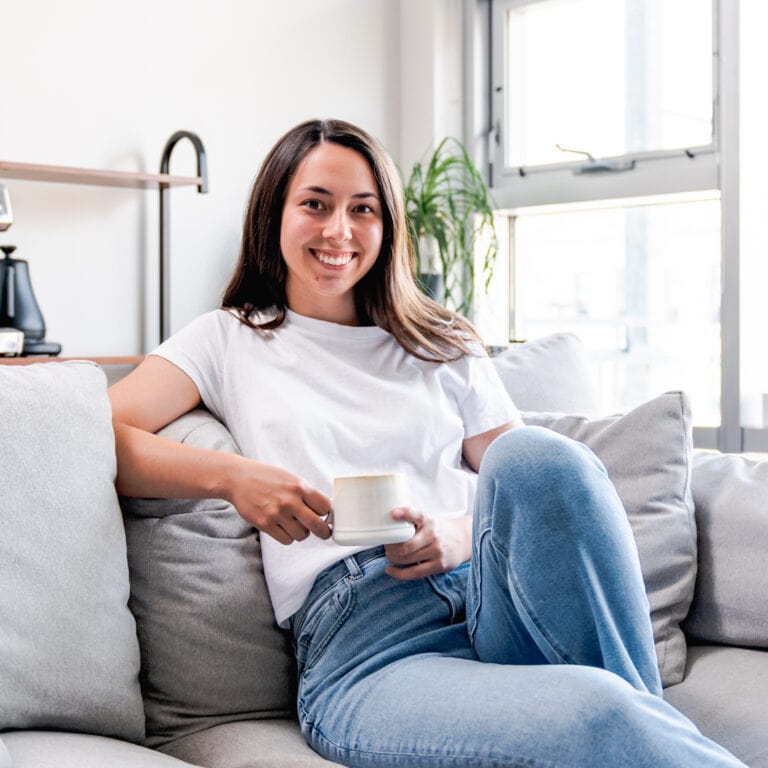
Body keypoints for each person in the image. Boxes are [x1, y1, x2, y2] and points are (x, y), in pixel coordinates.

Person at [109, 118, 745, 768]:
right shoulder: (230, 338)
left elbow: (534, 499)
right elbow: (103, 428)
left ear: (387, 229)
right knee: (602, 712)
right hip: (369, 644)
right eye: (315, 205)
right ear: (276, 212)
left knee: (541, 456)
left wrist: (460, 534)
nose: (339, 231)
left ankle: (639, 734)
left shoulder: (441, 341)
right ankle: (639, 731)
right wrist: (232, 477)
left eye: (364, 210)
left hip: (493, 597)